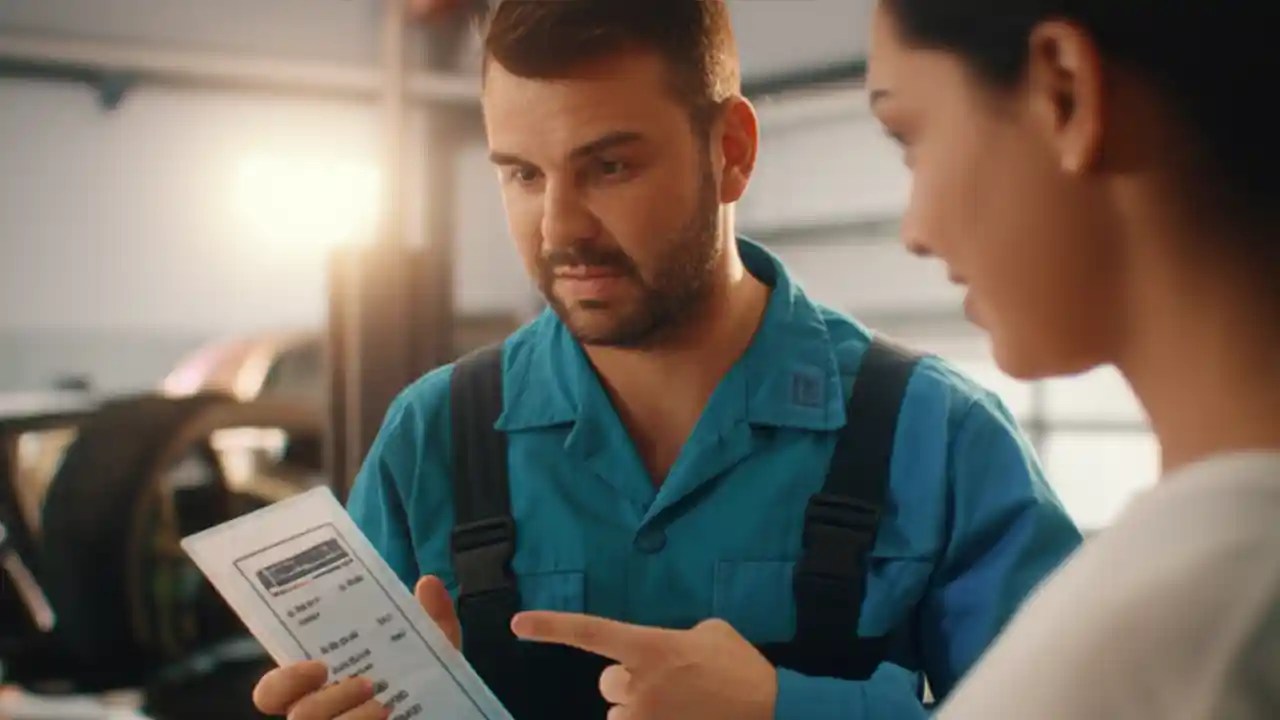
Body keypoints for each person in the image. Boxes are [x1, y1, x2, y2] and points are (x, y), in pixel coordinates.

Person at [251, 1, 1081, 719]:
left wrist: (784, 711)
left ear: (732, 150)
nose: (558, 229)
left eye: (608, 166)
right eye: (523, 175)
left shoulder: (936, 437)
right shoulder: (430, 438)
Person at [514, 1, 1280, 718]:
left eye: (909, 135)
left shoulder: (1178, 629)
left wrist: (784, 704)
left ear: (1065, 92)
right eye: (520, 173)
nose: (915, 229)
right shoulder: (1182, 604)